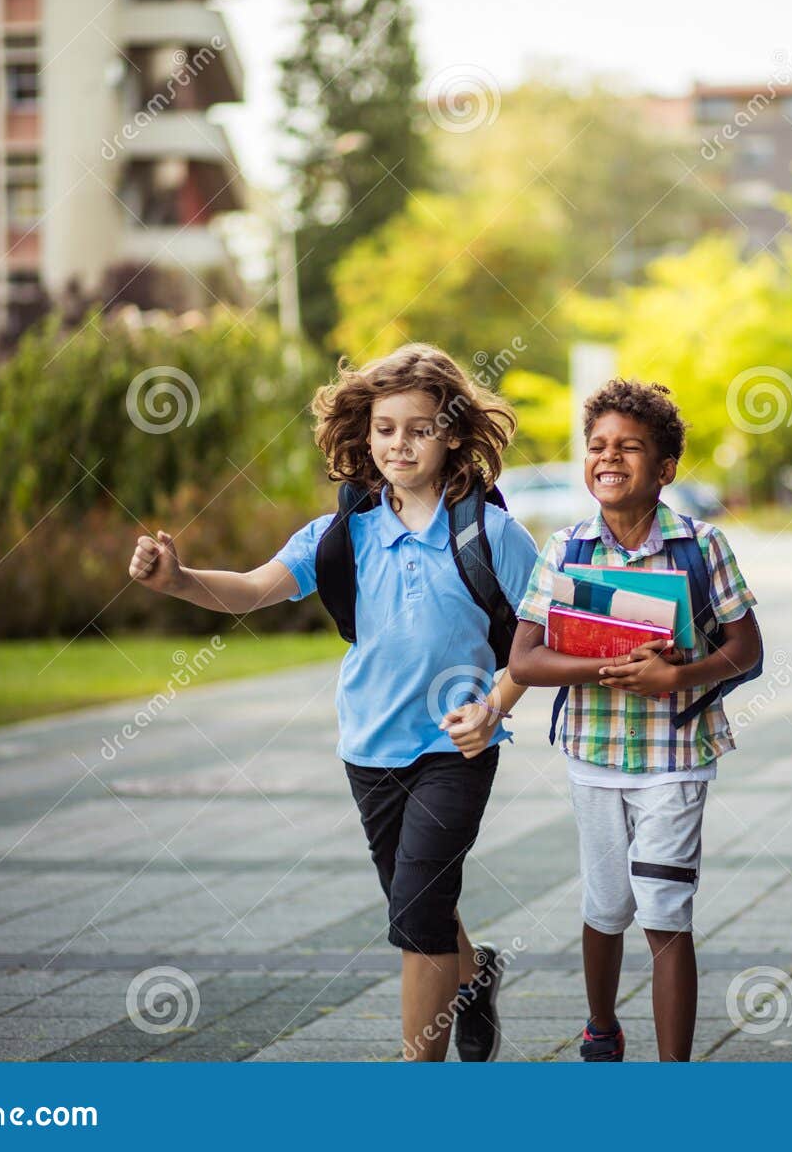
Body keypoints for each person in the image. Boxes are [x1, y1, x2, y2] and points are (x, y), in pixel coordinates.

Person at [127, 343, 537, 1062]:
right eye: (385, 428)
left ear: (451, 434)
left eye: (418, 428)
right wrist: (179, 577)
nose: (399, 443)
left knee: (416, 915)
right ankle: (475, 976)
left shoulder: (490, 533)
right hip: (370, 749)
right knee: (423, 909)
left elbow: (546, 637)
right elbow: (254, 589)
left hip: (457, 746)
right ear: (364, 433)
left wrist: (495, 705)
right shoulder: (340, 535)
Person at [508, 378, 761, 1061]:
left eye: (629, 446)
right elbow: (525, 661)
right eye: (596, 446)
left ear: (665, 468)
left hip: (676, 754)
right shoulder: (564, 549)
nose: (608, 457)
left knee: (664, 912)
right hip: (591, 753)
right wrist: (606, 664)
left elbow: (747, 649)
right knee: (606, 905)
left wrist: (677, 676)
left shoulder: (701, 545)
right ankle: (601, 1024)